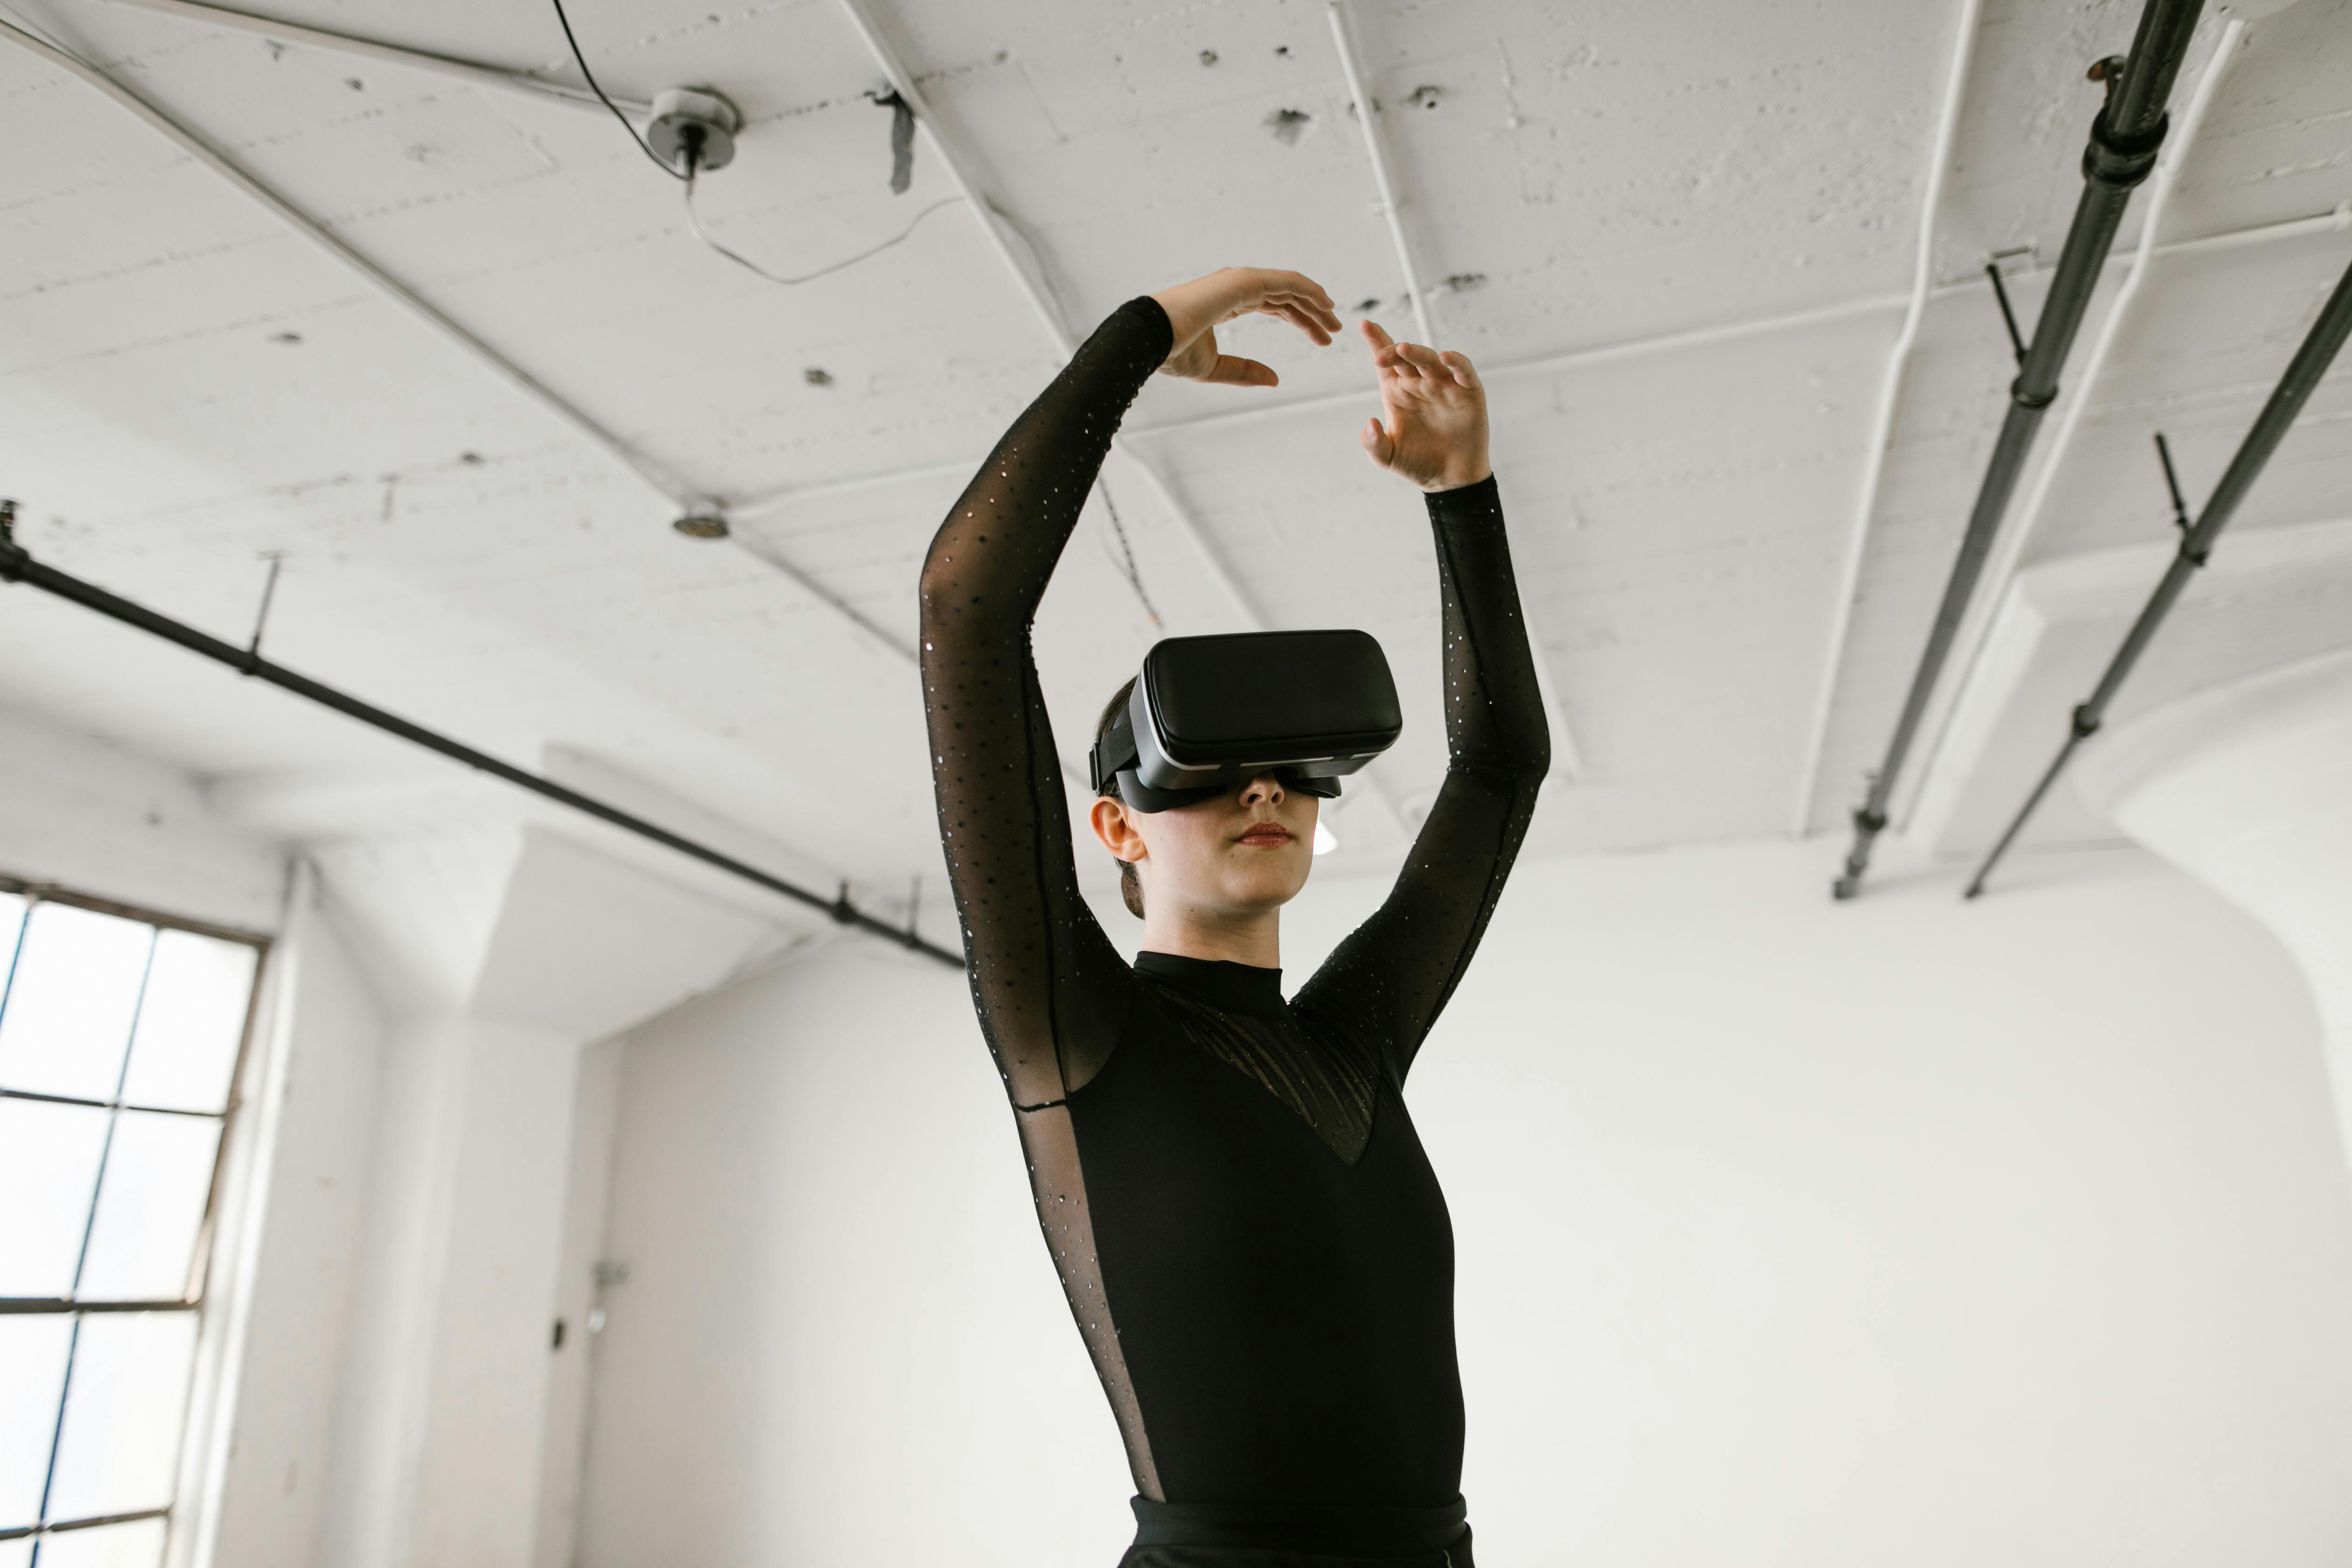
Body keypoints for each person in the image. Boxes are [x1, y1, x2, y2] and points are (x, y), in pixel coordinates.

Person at [919, 266, 1549, 1568]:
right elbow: (965, 614)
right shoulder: (1074, 1034)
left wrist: (1460, 491)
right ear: (1113, 826)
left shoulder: (1354, 1042)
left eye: (1290, 769)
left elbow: (1500, 767)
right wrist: (1141, 341)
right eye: (1204, 767)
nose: (1263, 788)